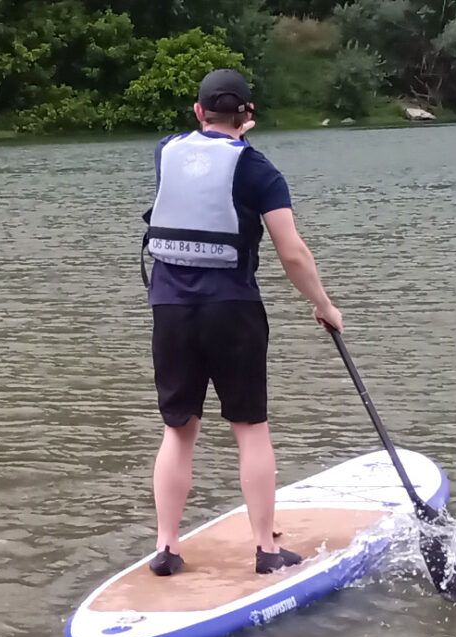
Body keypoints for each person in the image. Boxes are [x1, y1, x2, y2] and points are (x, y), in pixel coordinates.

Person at [143, 68, 344, 576]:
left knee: (178, 429)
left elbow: (201, 158)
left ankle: (167, 547)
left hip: (170, 310)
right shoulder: (258, 170)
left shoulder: (166, 152)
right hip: (231, 310)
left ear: (197, 111)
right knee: (250, 428)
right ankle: (265, 548)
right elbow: (292, 253)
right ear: (249, 116)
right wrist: (323, 304)